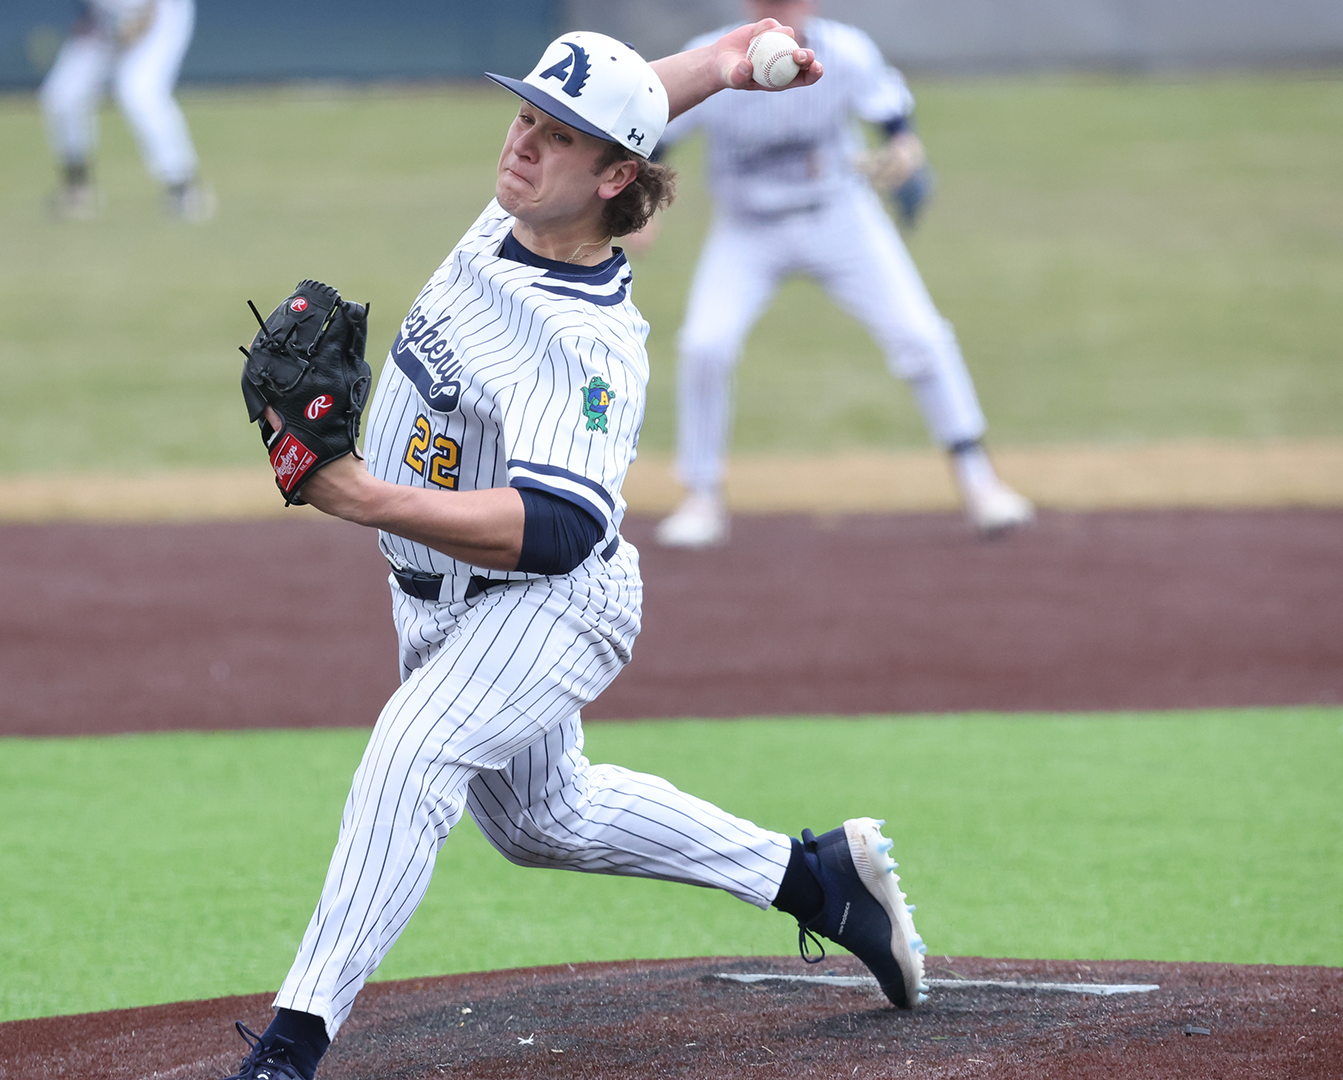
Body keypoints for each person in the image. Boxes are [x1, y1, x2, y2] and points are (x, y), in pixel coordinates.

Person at [216, 25, 926, 1080]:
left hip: (552, 604)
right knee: (546, 819)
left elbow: (560, 528)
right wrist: (727, 63)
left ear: (611, 178)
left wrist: (360, 495)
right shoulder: (514, 213)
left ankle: (290, 1046)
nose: (522, 142)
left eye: (556, 135)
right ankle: (815, 878)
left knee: (415, 752)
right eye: (525, 115)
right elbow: (635, 102)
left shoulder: (586, 346)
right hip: (442, 598)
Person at [649, 0, 1032, 549]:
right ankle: (702, 495)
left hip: (840, 218)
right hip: (747, 228)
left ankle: (980, 481)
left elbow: (892, 116)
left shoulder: (847, 51)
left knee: (920, 335)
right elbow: (654, 136)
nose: (780, 9)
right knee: (706, 345)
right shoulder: (711, 59)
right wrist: (637, 210)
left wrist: (904, 151)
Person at [37, 0, 214, 221]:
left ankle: (184, 189)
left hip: (160, 13)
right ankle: (77, 189)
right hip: (105, 19)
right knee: (62, 95)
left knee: (139, 92)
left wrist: (142, 20)